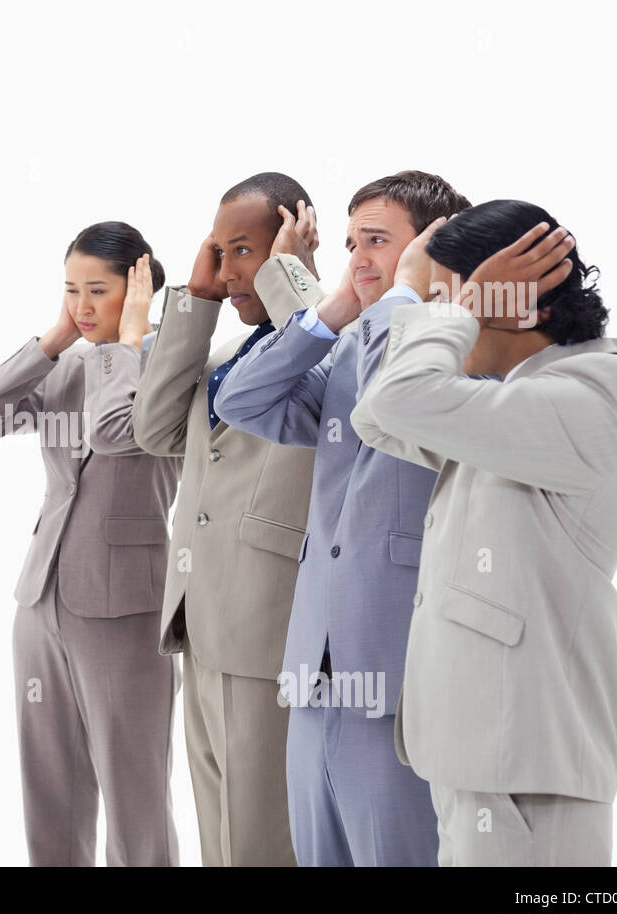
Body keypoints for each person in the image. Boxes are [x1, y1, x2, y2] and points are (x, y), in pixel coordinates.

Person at [350, 201, 617, 866]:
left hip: (526, 777)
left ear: (518, 301)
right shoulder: (510, 401)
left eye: (452, 299)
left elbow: (399, 400)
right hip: (486, 761)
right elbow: (374, 417)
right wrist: (438, 292)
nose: (444, 318)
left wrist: (452, 309)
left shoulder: (587, 397)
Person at [212, 171, 470, 866]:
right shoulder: (350, 345)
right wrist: (328, 313)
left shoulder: (457, 348)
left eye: (378, 241)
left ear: (433, 249)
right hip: (314, 670)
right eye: (352, 240)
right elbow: (239, 402)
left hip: (393, 677)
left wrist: (409, 292)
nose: (358, 258)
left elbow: (401, 397)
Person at [0, 221, 182, 865]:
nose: (82, 307)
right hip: (41, 600)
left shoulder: (172, 369)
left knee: (135, 794)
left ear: (138, 289)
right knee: (49, 789)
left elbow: (115, 431)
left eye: (98, 291)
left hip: (124, 613)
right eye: (70, 290)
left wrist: (131, 339)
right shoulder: (71, 364)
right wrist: (53, 340)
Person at [131, 173, 320, 866]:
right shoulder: (221, 358)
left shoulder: (333, 341)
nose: (229, 268)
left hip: (265, 633)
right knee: (220, 840)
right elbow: (152, 430)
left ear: (295, 238)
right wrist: (198, 302)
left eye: (242, 250)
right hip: (200, 624)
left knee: (259, 842)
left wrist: (294, 278)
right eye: (218, 249)